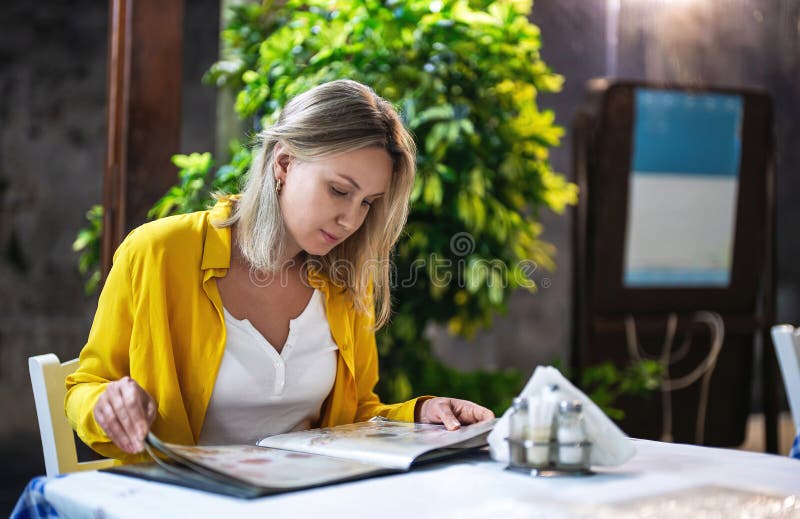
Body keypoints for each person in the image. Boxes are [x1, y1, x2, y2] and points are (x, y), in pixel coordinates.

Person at [65, 79, 494, 462]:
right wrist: (105, 404)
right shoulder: (158, 252)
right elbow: (85, 386)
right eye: (338, 190)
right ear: (284, 163)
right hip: (182, 502)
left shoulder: (344, 279)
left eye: (367, 202)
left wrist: (420, 412)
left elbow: (357, 415)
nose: (351, 219)